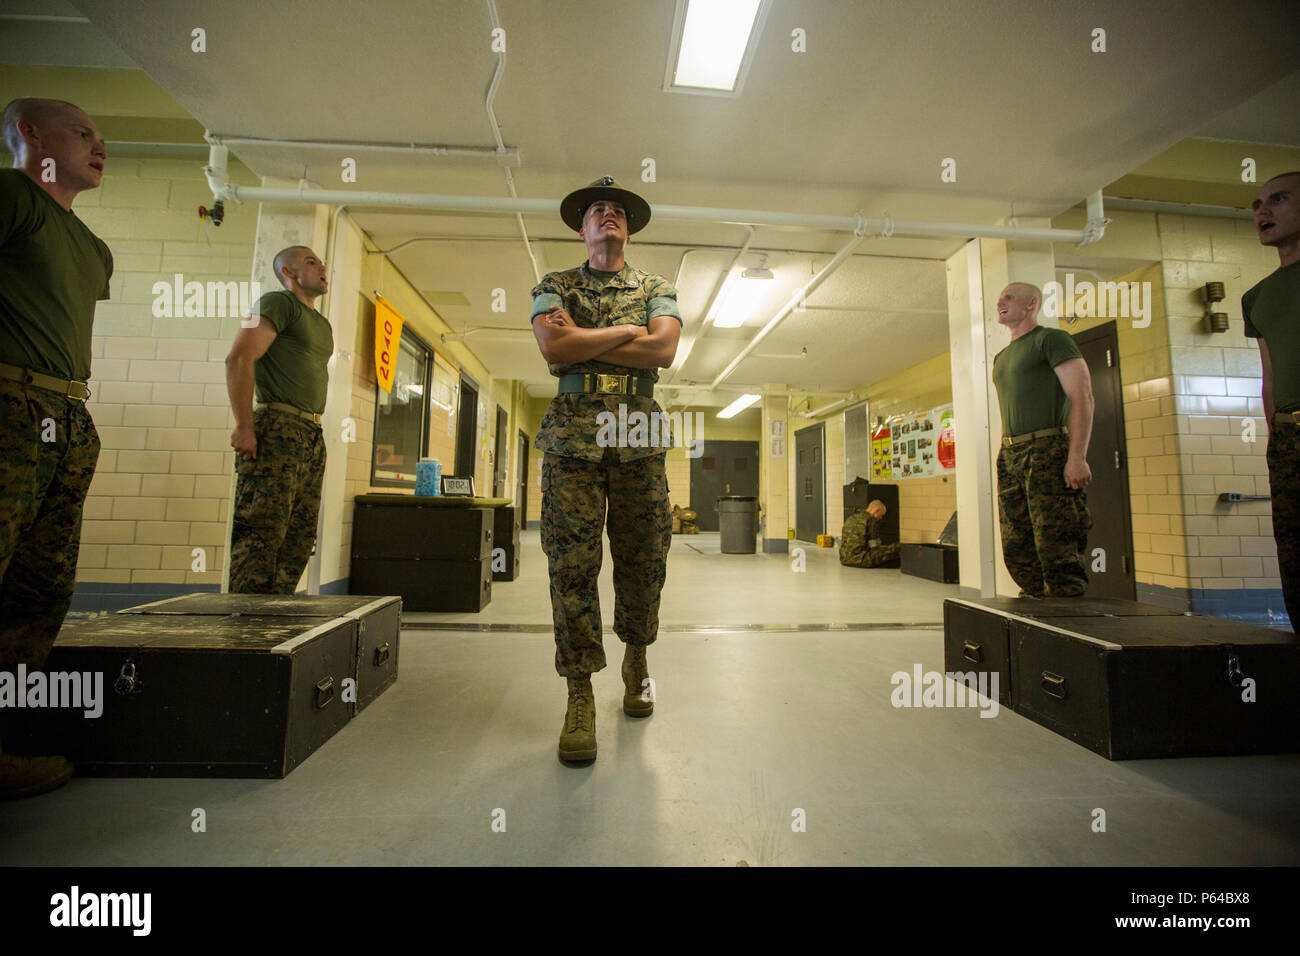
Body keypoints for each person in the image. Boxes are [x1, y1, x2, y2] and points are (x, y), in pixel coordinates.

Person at [530, 176, 682, 763]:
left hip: (638, 436)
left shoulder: (656, 286)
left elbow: (663, 351)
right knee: (572, 565)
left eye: (618, 210)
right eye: (598, 210)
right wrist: (626, 331)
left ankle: (636, 656)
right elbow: (553, 349)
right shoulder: (554, 284)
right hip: (572, 437)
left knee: (645, 558)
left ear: (629, 227)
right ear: (582, 228)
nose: (608, 215)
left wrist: (586, 340)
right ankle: (579, 693)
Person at [0, 97, 112, 799]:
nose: (100, 146)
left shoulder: (93, 247)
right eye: (83, 131)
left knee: (36, 595)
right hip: (8, 406)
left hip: (65, 415)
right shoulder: (12, 197)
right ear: (28, 133)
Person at [225, 246, 332, 594]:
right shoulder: (275, 303)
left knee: (299, 535)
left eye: (321, 262)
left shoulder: (320, 323)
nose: (322, 267)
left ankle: (275, 613)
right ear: (289, 272)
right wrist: (244, 426)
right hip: (278, 427)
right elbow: (239, 359)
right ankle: (246, 624)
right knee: (262, 532)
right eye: (311, 262)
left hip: (310, 434)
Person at [991, 282, 1094, 597]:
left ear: (1031, 303)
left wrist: (1076, 457)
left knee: (1055, 541)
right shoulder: (1001, 356)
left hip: (1047, 449)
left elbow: (1083, 397)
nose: (1000, 302)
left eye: (1008, 297)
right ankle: (1035, 606)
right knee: (1016, 542)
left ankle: (1066, 612)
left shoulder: (1051, 339)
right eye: (999, 298)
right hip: (1011, 453)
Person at [1244, 170, 1300, 631]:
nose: (1263, 211)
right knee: (1293, 552)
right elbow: (1268, 375)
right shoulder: (1257, 297)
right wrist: (1276, 433)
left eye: (1278, 199)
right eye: (1257, 205)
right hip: (1286, 437)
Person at [839, 499, 900, 568]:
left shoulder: (851, 518)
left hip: (844, 559)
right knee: (895, 548)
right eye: (881, 515)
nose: (881, 518)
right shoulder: (871, 520)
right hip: (860, 560)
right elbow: (875, 546)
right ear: (876, 510)